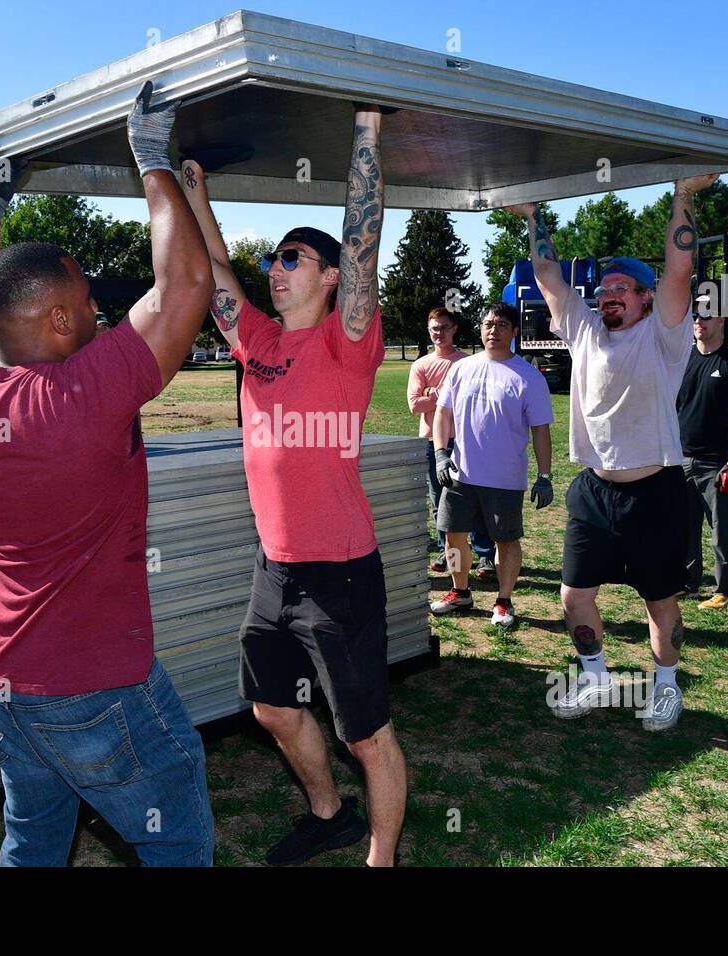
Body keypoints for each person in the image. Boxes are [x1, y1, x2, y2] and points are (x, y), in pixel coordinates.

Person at [0, 82, 216, 866]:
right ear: (59, 319)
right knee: (180, 843)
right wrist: (152, 161)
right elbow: (186, 286)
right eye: (89, 301)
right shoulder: (84, 394)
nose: (98, 313)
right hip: (94, 686)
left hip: (2, 685)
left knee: (32, 837)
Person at [180, 105, 406, 866]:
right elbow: (216, 276)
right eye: (273, 260)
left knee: (365, 733)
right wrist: (195, 195)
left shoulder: (349, 341)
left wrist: (367, 138)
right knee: (272, 708)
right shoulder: (260, 342)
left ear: (331, 277)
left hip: (339, 574)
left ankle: (383, 857)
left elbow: (367, 241)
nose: (274, 269)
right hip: (273, 568)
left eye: (291, 260)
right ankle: (328, 813)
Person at [512, 173, 719, 732]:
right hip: (594, 489)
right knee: (573, 597)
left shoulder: (665, 335)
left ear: (645, 298)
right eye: (605, 288)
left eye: (622, 287)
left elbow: (680, 268)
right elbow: (550, 276)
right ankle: (596, 676)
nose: (609, 294)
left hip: (655, 492)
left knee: (660, 604)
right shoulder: (583, 330)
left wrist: (682, 193)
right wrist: (533, 216)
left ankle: (667, 686)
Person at [428, 303, 555, 629]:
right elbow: (443, 413)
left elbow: (540, 428)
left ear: (514, 331)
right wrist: (442, 453)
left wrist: (544, 476)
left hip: (505, 478)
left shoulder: (528, 377)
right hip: (460, 474)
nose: (493, 331)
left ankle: (503, 600)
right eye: (487, 324)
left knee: (506, 541)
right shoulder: (462, 369)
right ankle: (460, 592)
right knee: (453, 537)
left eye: (501, 325)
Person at [676, 294, 728, 609]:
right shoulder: (684, 358)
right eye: (695, 315)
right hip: (681, 458)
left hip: (717, 465)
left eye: (707, 315)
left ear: (722, 319)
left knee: (721, 532)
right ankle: (688, 583)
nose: (699, 320)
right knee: (684, 527)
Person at [407, 306, 494, 576]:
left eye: (444, 327)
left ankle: (484, 556)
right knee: (440, 500)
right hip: (433, 444)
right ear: (428, 330)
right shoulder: (420, 365)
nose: (439, 333)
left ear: (454, 328)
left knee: (475, 498)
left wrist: (433, 394)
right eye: (434, 328)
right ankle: (447, 554)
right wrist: (441, 396)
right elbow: (414, 405)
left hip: (468, 441)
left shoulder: (468, 363)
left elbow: (477, 402)